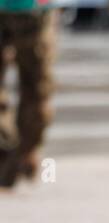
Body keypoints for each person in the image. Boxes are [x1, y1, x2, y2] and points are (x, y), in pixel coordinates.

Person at [0, 0, 56, 189]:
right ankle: (14, 154)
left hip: (34, 8)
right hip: (33, 8)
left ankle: (22, 153)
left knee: (37, 89)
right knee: (37, 88)